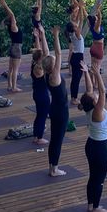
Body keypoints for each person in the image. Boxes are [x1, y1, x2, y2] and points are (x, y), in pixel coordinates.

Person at [80, 63, 107, 212]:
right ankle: (96, 207)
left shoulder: (89, 106)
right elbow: (103, 91)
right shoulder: (97, 112)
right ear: (94, 101)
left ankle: (90, 204)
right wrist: (97, 74)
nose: (95, 94)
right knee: (99, 179)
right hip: (100, 149)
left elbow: (89, 90)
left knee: (92, 176)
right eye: (94, 96)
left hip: (91, 145)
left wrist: (87, 72)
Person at [43, 25, 69, 176]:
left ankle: (51, 166)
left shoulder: (48, 74)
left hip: (54, 109)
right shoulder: (55, 76)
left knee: (54, 139)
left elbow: (48, 54)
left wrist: (42, 35)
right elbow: (58, 53)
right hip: (60, 112)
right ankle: (55, 169)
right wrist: (56, 35)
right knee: (58, 140)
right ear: (53, 66)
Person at [29, 26, 50, 146]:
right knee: (42, 115)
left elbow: (39, 50)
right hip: (42, 95)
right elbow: (45, 52)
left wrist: (38, 37)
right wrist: (43, 35)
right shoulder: (39, 67)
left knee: (39, 114)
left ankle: (36, 135)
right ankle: (39, 137)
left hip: (37, 93)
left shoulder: (34, 63)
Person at [64, 0, 85, 103]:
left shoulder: (72, 30)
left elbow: (80, 17)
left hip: (75, 57)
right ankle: (74, 98)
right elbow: (81, 19)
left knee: (75, 79)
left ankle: (73, 97)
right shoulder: (76, 32)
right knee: (76, 79)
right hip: (78, 57)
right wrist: (79, 6)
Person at [0, 0, 23, 93]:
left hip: (13, 47)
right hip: (17, 48)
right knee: (15, 69)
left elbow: (10, 16)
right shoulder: (14, 28)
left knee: (10, 69)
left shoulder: (11, 27)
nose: (14, 19)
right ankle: (14, 87)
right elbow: (12, 15)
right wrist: (5, 5)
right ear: (12, 21)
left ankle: (9, 86)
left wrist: (5, 8)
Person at [88, 7, 105, 75]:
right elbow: (100, 18)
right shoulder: (96, 27)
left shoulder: (91, 26)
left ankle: (92, 83)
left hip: (93, 47)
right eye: (96, 17)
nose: (97, 17)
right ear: (95, 21)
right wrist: (98, 10)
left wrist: (82, 9)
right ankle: (96, 85)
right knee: (97, 69)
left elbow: (87, 17)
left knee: (93, 67)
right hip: (99, 47)